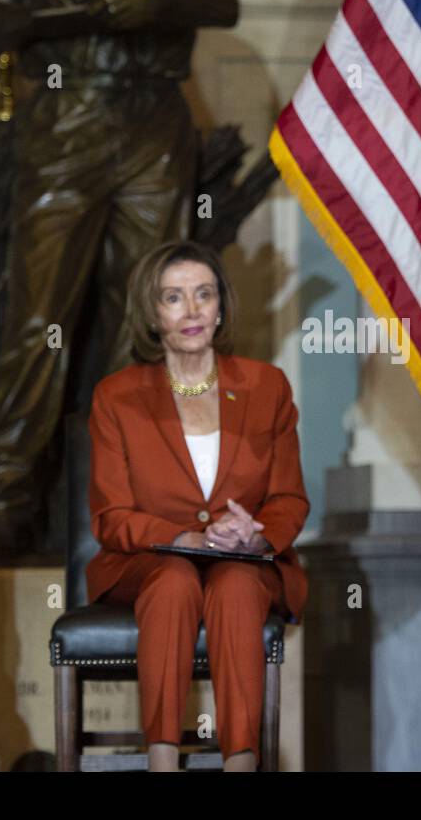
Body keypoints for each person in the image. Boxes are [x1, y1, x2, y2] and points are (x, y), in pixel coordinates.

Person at [0, 0, 240, 554]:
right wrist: (65, 9)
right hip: (63, 116)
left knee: (152, 317)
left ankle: (132, 498)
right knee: (37, 320)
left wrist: (155, 6)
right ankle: (4, 504)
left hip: (153, 116)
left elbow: (222, 0)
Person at [87, 241, 308, 771]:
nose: (191, 311)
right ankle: (162, 758)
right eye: (173, 298)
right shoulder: (117, 396)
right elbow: (111, 517)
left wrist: (254, 535)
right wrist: (179, 537)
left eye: (203, 294)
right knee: (174, 580)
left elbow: (288, 498)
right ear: (152, 314)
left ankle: (240, 761)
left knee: (235, 585)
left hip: (245, 560)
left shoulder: (266, 386)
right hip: (149, 562)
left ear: (221, 306)